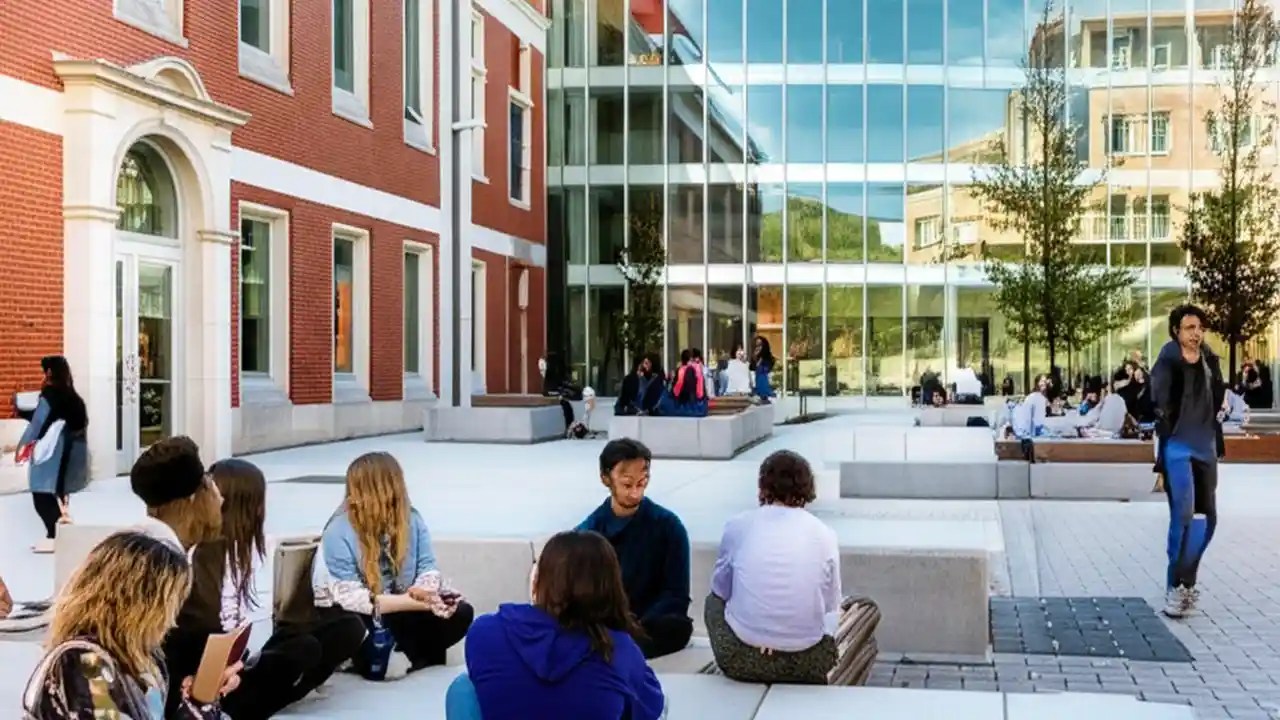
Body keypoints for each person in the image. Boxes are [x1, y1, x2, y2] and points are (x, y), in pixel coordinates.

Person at [172, 459, 367, 719]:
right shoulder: (201, 555)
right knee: (304, 650)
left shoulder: (256, 547)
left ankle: (277, 687)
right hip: (217, 669)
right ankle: (258, 700)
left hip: (251, 652)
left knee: (346, 627)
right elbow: (209, 632)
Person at [448, 531, 667, 720]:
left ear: (540, 579)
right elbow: (651, 707)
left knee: (463, 688)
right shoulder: (619, 648)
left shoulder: (485, 631)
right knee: (650, 699)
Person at [707, 450, 880, 685]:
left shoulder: (738, 526)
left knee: (713, 602)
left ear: (763, 485)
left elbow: (720, 591)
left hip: (741, 659)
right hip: (807, 663)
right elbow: (831, 604)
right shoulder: (824, 534)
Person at [21, 531, 237, 719]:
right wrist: (199, 709)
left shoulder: (143, 656)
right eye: (170, 605)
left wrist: (202, 694)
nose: (171, 620)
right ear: (141, 606)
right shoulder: (86, 665)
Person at [312, 452, 473, 679]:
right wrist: (415, 603)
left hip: (401, 605)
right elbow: (350, 597)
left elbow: (428, 566)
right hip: (359, 611)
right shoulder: (338, 530)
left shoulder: (412, 519)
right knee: (354, 627)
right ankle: (391, 654)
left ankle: (402, 652)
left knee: (461, 612)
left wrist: (424, 592)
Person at [130, 437, 234, 716]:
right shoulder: (160, 565)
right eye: (212, 487)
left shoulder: (140, 546)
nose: (220, 499)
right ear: (194, 498)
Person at [576, 439, 692, 660]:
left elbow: (677, 593)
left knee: (676, 625)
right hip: (606, 620)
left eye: (642, 482)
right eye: (627, 484)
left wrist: (637, 624)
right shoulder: (589, 532)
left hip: (649, 622)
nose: (636, 493)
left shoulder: (668, 525)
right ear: (606, 479)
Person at [1151, 304, 1226, 619]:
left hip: (1205, 446)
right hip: (1178, 447)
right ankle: (1176, 586)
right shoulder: (1168, 359)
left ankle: (1185, 580)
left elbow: (1220, 394)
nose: (1196, 333)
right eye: (1189, 328)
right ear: (1176, 332)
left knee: (1207, 519)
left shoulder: (1209, 359)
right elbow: (1157, 401)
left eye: (1199, 328)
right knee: (1183, 514)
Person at [15, 355, 89, 553]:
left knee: (41, 494)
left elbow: (37, 424)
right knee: (54, 495)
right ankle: (54, 535)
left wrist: (22, 447)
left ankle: (55, 535)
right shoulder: (75, 399)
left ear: (49, 373)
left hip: (50, 454)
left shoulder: (49, 396)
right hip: (69, 454)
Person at [660, 349, 709, 417]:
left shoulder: (681, 370)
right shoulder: (698, 368)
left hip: (686, 408)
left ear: (682, 360)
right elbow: (701, 392)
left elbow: (676, 392)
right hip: (700, 408)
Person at [750, 336, 775, 403]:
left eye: (760, 344)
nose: (758, 347)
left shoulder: (766, 356)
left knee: (762, 383)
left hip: (763, 373)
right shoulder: (755, 353)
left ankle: (764, 396)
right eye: (757, 345)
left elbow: (767, 365)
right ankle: (762, 396)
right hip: (758, 374)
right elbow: (753, 366)